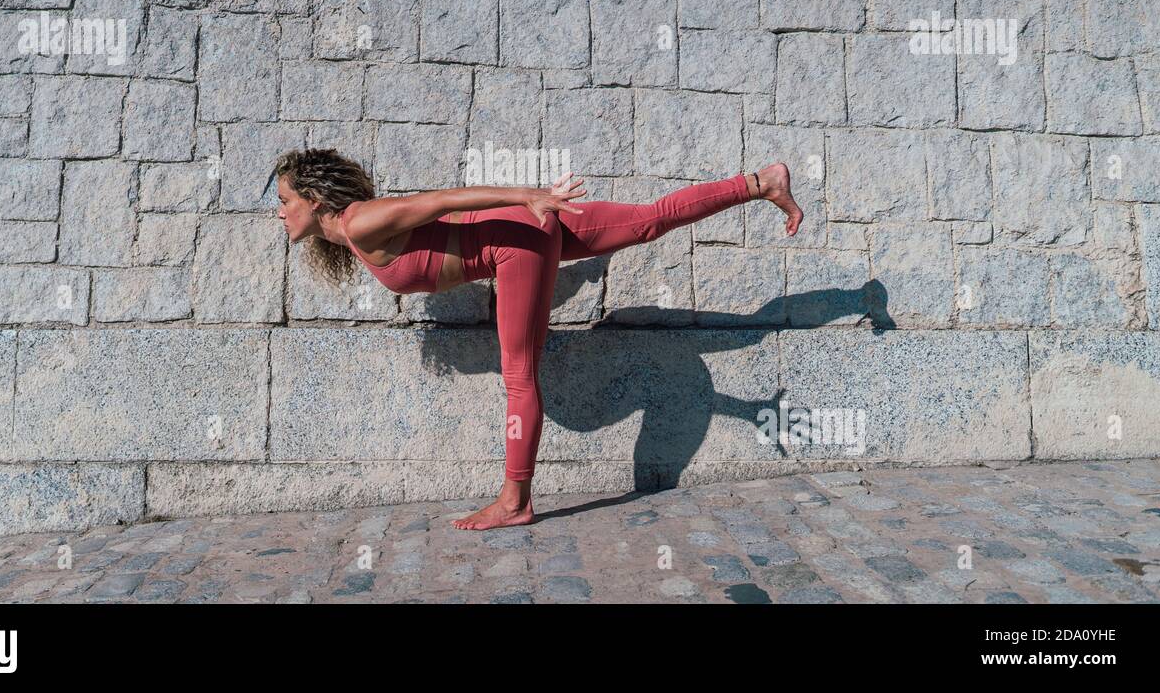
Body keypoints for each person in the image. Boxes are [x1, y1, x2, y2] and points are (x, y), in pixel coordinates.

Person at [274, 148, 804, 531]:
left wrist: (528, 196)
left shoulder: (361, 220)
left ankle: (514, 501)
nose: (279, 212)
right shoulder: (348, 233)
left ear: (317, 200)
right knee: (647, 220)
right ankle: (761, 182)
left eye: (285, 200)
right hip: (521, 228)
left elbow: (442, 200)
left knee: (519, 375)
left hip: (517, 236)